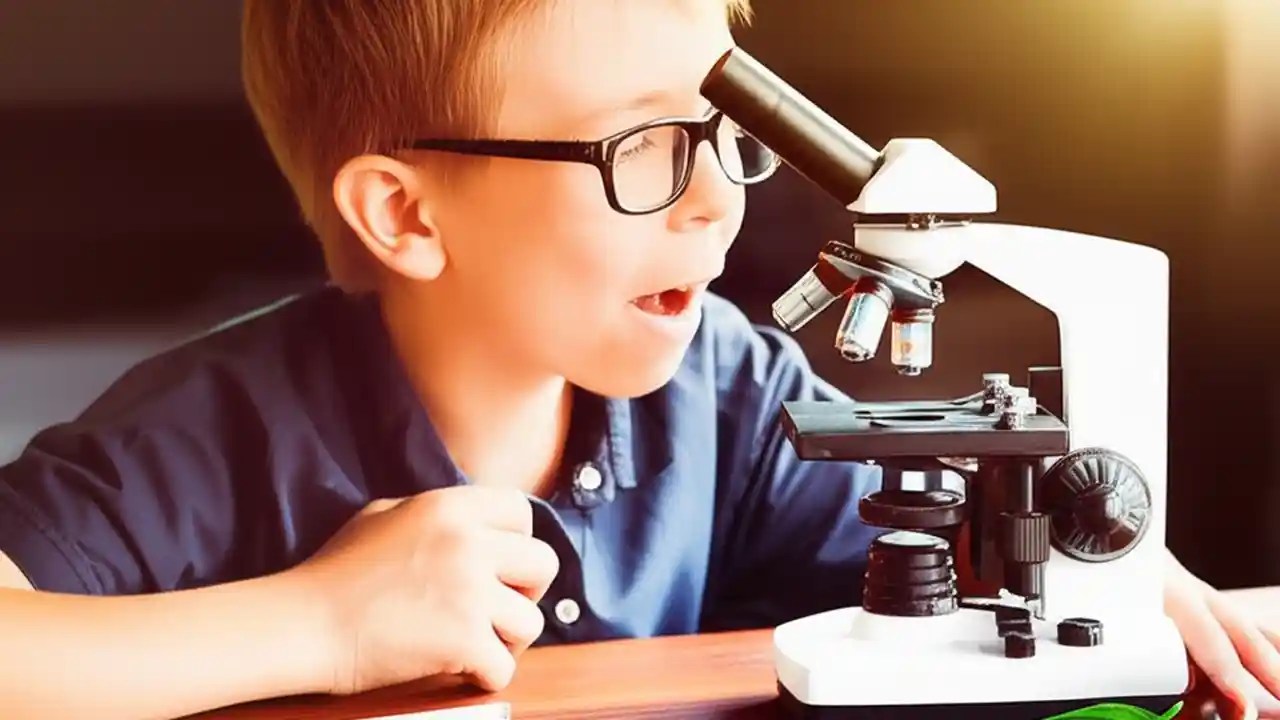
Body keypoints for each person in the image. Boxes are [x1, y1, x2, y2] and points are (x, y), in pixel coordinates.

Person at [0, 1, 1275, 718]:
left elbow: (957, 560)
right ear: (405, 214)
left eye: (721, 134)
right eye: (643, 150)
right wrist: (317, 625)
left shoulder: (728, 385)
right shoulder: (205, 435)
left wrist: (1118, 578)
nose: (715, 202)